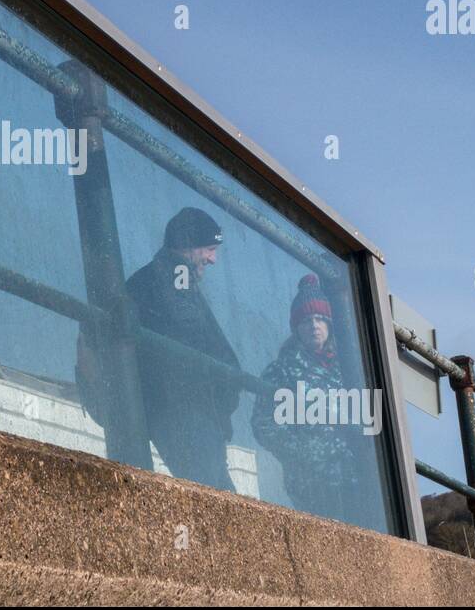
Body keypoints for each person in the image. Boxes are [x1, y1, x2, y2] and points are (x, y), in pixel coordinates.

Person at [125, 207, 244, 491]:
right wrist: (224, 384)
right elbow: (193, 348)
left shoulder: (174, 281)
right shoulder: (162, 282)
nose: (213, 259)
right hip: (185, 414)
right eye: (210, 249)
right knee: (214, 505)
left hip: (198, 417)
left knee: (220, 504)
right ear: (187, 244)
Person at [251, 274, 361, 520]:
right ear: (296, 327)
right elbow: (263, 424)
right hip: (312, 484)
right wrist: (306, 452)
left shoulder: (348, 368)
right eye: (307, 320)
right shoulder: (281, 370)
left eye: (321, 319)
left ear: (330, 324)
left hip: (353, 480)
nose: (314, 326)